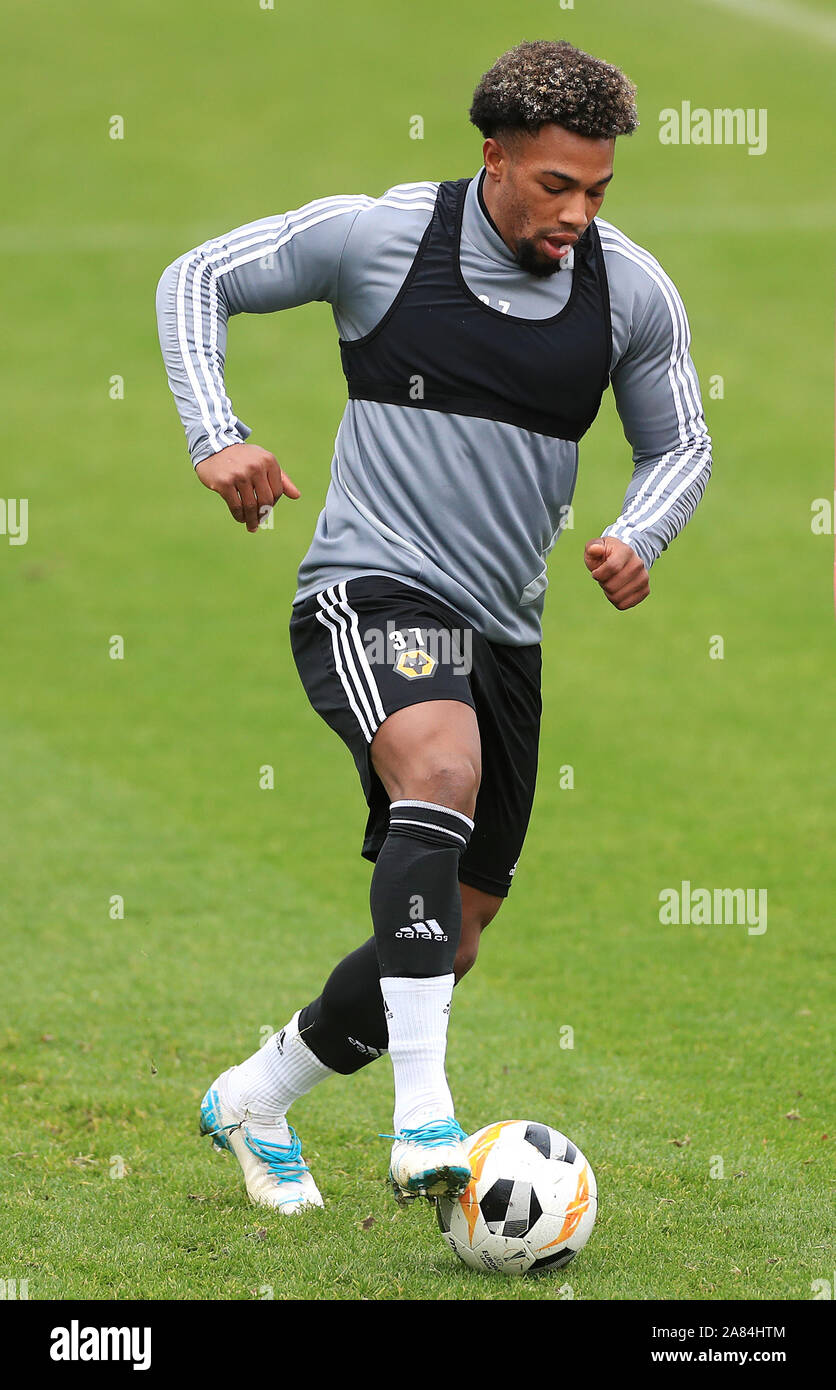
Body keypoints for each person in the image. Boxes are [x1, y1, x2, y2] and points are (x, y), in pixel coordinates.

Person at [156, 38, 712, 1215]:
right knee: (439, 766)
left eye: (597, 190)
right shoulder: (386, 238)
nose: (577, 214)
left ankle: (258, 1095)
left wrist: (637, 534)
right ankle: (423, 1122)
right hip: (372, 588)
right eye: (554, 185)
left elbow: (680, 443)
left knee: (449, 937)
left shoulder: (626, 291)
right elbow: (196, 275)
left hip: (505, 634)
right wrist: (218, 435)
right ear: (493, 158)